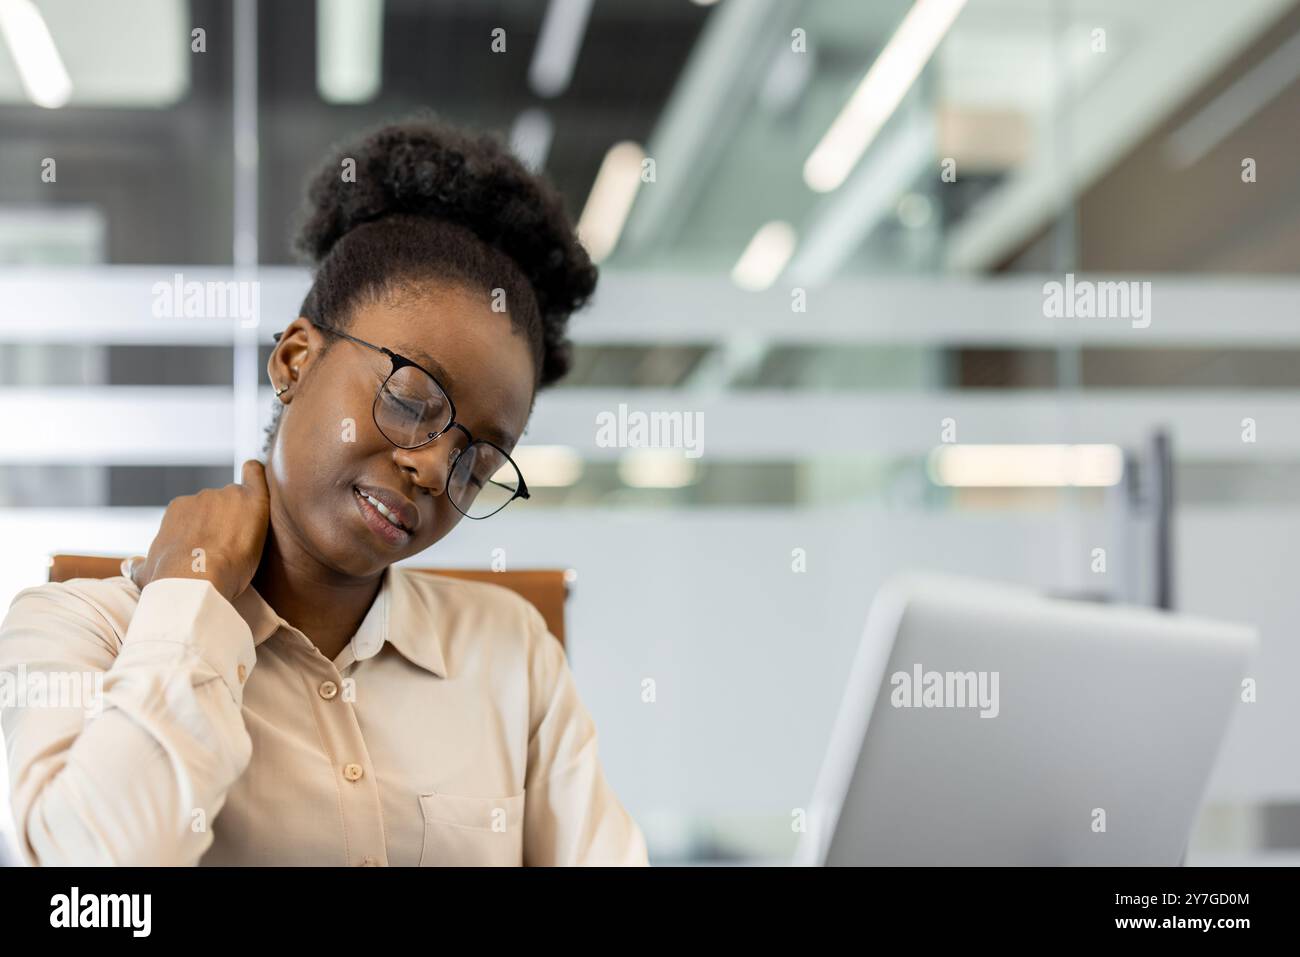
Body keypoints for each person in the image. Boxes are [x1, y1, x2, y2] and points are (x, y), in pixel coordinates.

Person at [0, 116, 648, 867]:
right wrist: (194, 598)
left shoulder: (510, 652)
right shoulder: (78, 631)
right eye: (413, 399)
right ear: (295, 359)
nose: (437, 470)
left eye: (479, 458)